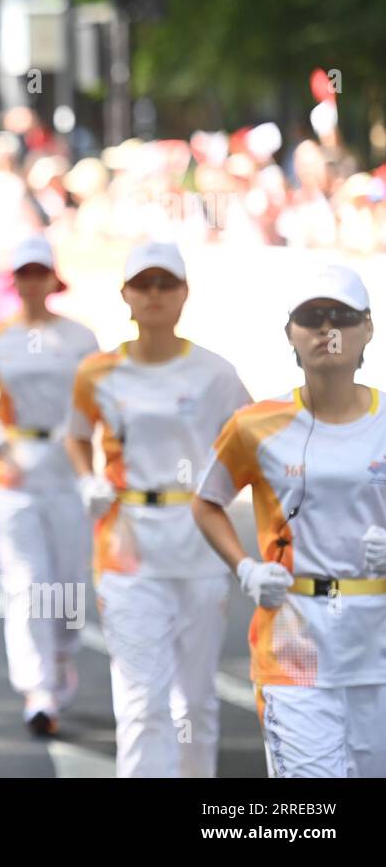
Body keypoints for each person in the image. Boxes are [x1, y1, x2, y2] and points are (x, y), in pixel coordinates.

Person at [64, 240, 252, 777]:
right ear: (125, 295)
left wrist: (221, 496)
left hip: (197, 545)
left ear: (184, 294)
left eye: (165, 284)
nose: (153, 294)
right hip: (127, 549)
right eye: (142, 284)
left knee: (194, 700)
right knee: (143, 699)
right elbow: (76, 437)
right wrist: (87, 480)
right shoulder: (98, 372)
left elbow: (252, 447)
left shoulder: (216, 375)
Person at [192, 264, 386, 777]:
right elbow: (206, 500)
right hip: (294, 644)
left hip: (378, 648)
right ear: (290, 335)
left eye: (342, 317)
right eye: (312, 317)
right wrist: (245, 569)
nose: (328, 330)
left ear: (368, 329)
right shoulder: (257, 424)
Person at [0, 237, 98, 736]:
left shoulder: (82, 340)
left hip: (67, 468)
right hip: (15, 470)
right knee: (26, 584)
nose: (33, 281)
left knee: (69, 580)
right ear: (14, 282)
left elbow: (100, 398)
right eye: (25, 273)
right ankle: (37, 689)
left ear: (53, 280)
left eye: (41, 272)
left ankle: (62, 655)